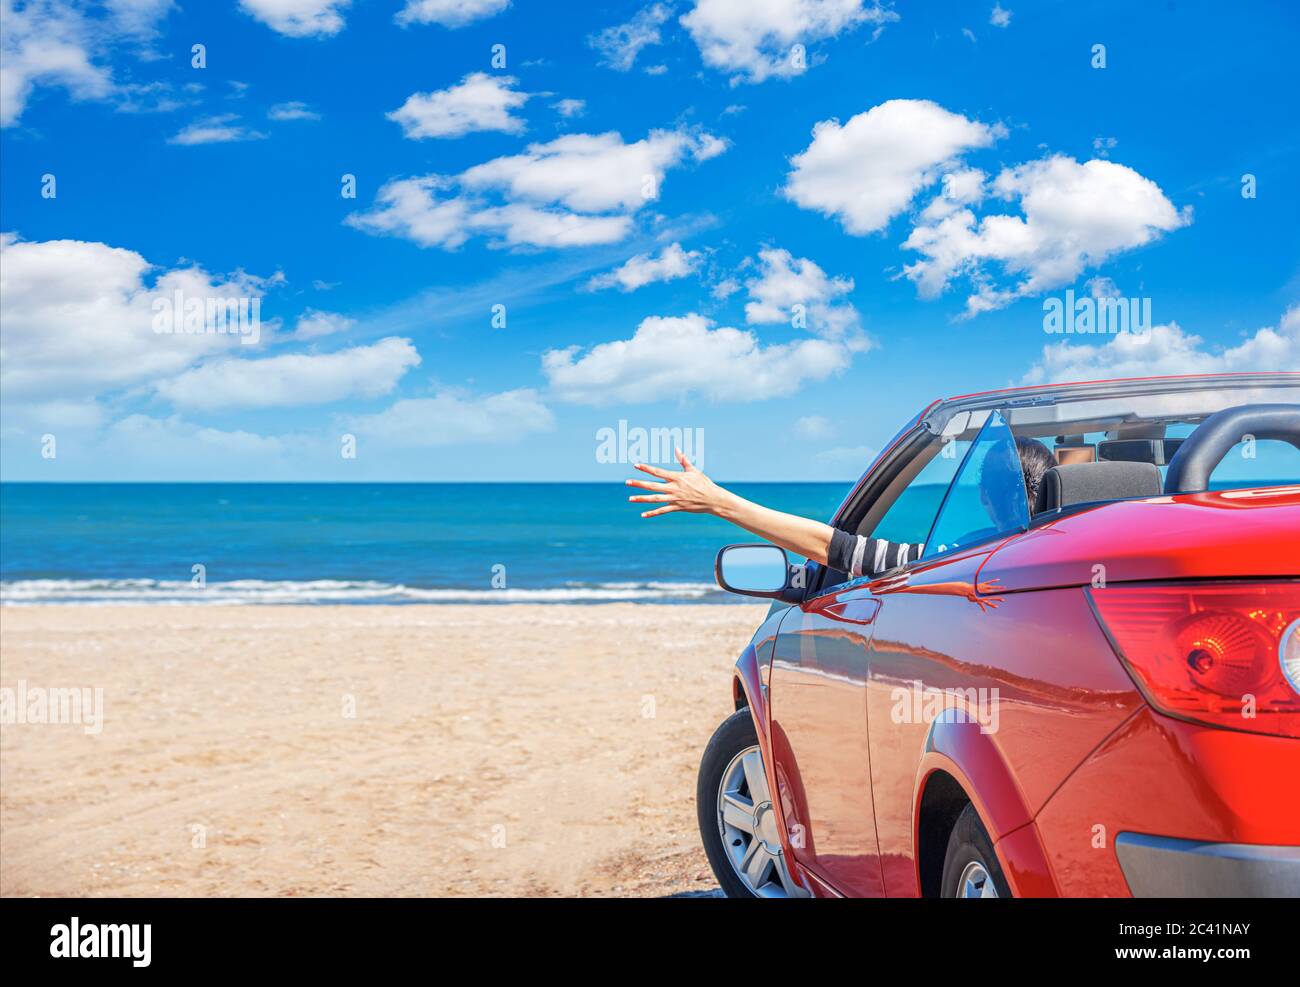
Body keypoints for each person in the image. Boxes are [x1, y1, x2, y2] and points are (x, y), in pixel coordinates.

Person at [627, 436, 1056, 580]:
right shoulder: (1092, 554)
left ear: (984, 498)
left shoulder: (964, 561)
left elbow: (837, 549)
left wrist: (719, 502)